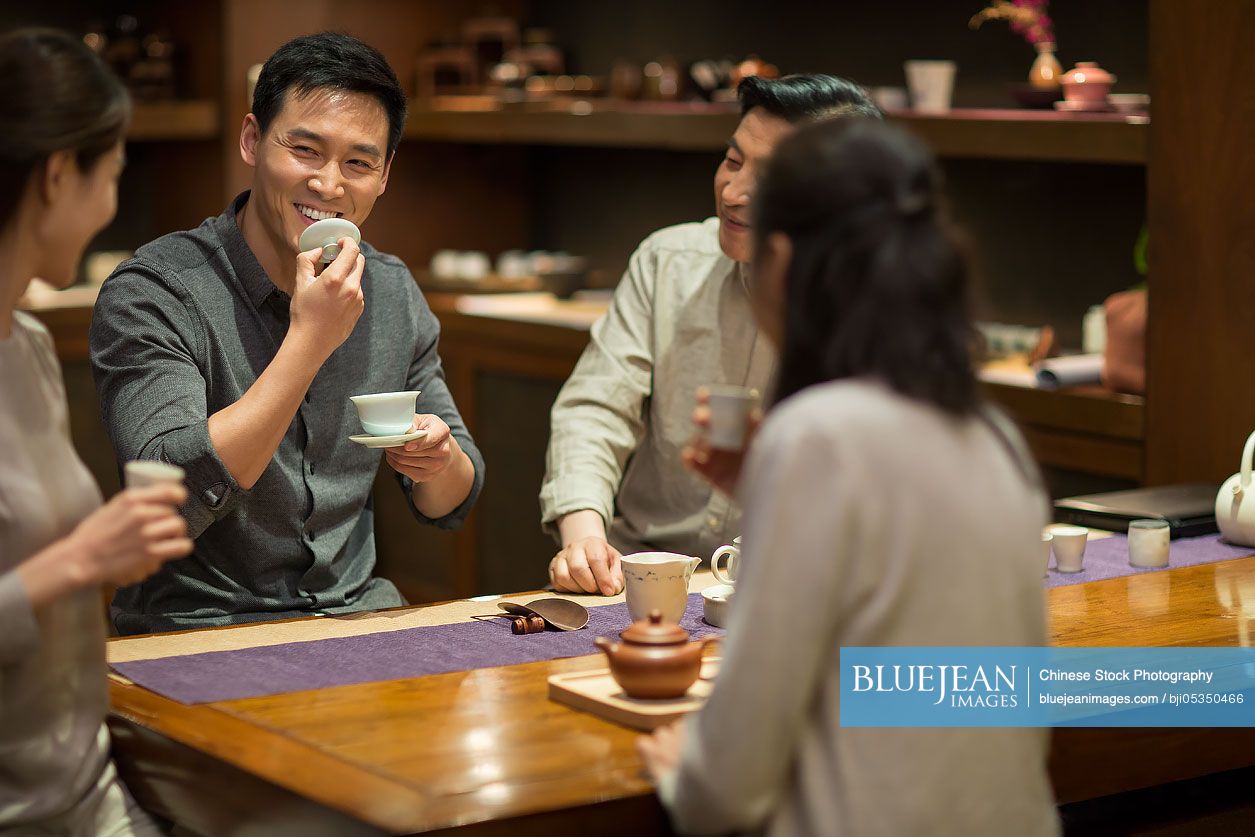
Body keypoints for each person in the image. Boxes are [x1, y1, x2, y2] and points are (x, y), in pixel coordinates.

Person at [637, 120, 1061, 836]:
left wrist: (686, 766)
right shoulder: (992, 435)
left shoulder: (820, 437)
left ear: (783, 259)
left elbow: (730, 783)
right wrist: (768, 495)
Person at [89, 32, 484, 634]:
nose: (329, 185)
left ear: (384, 175)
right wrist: (310, 342)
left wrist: (439, 458)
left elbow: (450, 498)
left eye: (358, 162)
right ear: (252, 139)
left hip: (357, 616)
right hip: (199, 629)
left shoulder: (391, 290)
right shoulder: (157, 290)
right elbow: (168, 495)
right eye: (305, 150)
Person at [540, 74, 881, 596]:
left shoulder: (879, 311)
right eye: (733, 161)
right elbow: (596, 408)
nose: (735, 192)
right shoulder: (668, 261)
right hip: (641, 572)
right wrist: (584, 535)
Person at [0, 28, 193, 834]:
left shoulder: (33, 347)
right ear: (56, 176)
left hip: (86, 795)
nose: (113, 203)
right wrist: (82, 557)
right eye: (110, 175)